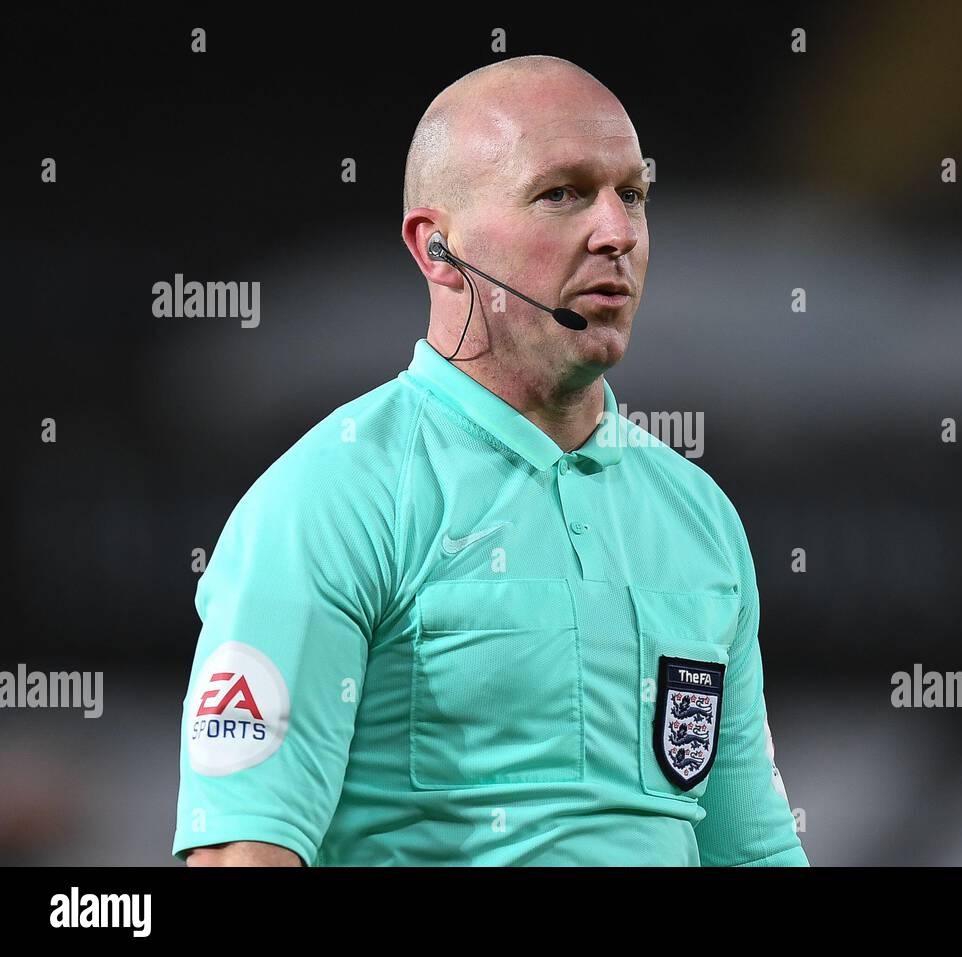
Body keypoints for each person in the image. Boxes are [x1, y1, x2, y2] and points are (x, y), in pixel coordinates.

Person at [173, 54, 808, 866]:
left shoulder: (698, 516)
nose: (616, 232)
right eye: (563, 194)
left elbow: (752, 853)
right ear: (438, 249)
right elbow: (241, 856)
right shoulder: (328, 499)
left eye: (633, 195)